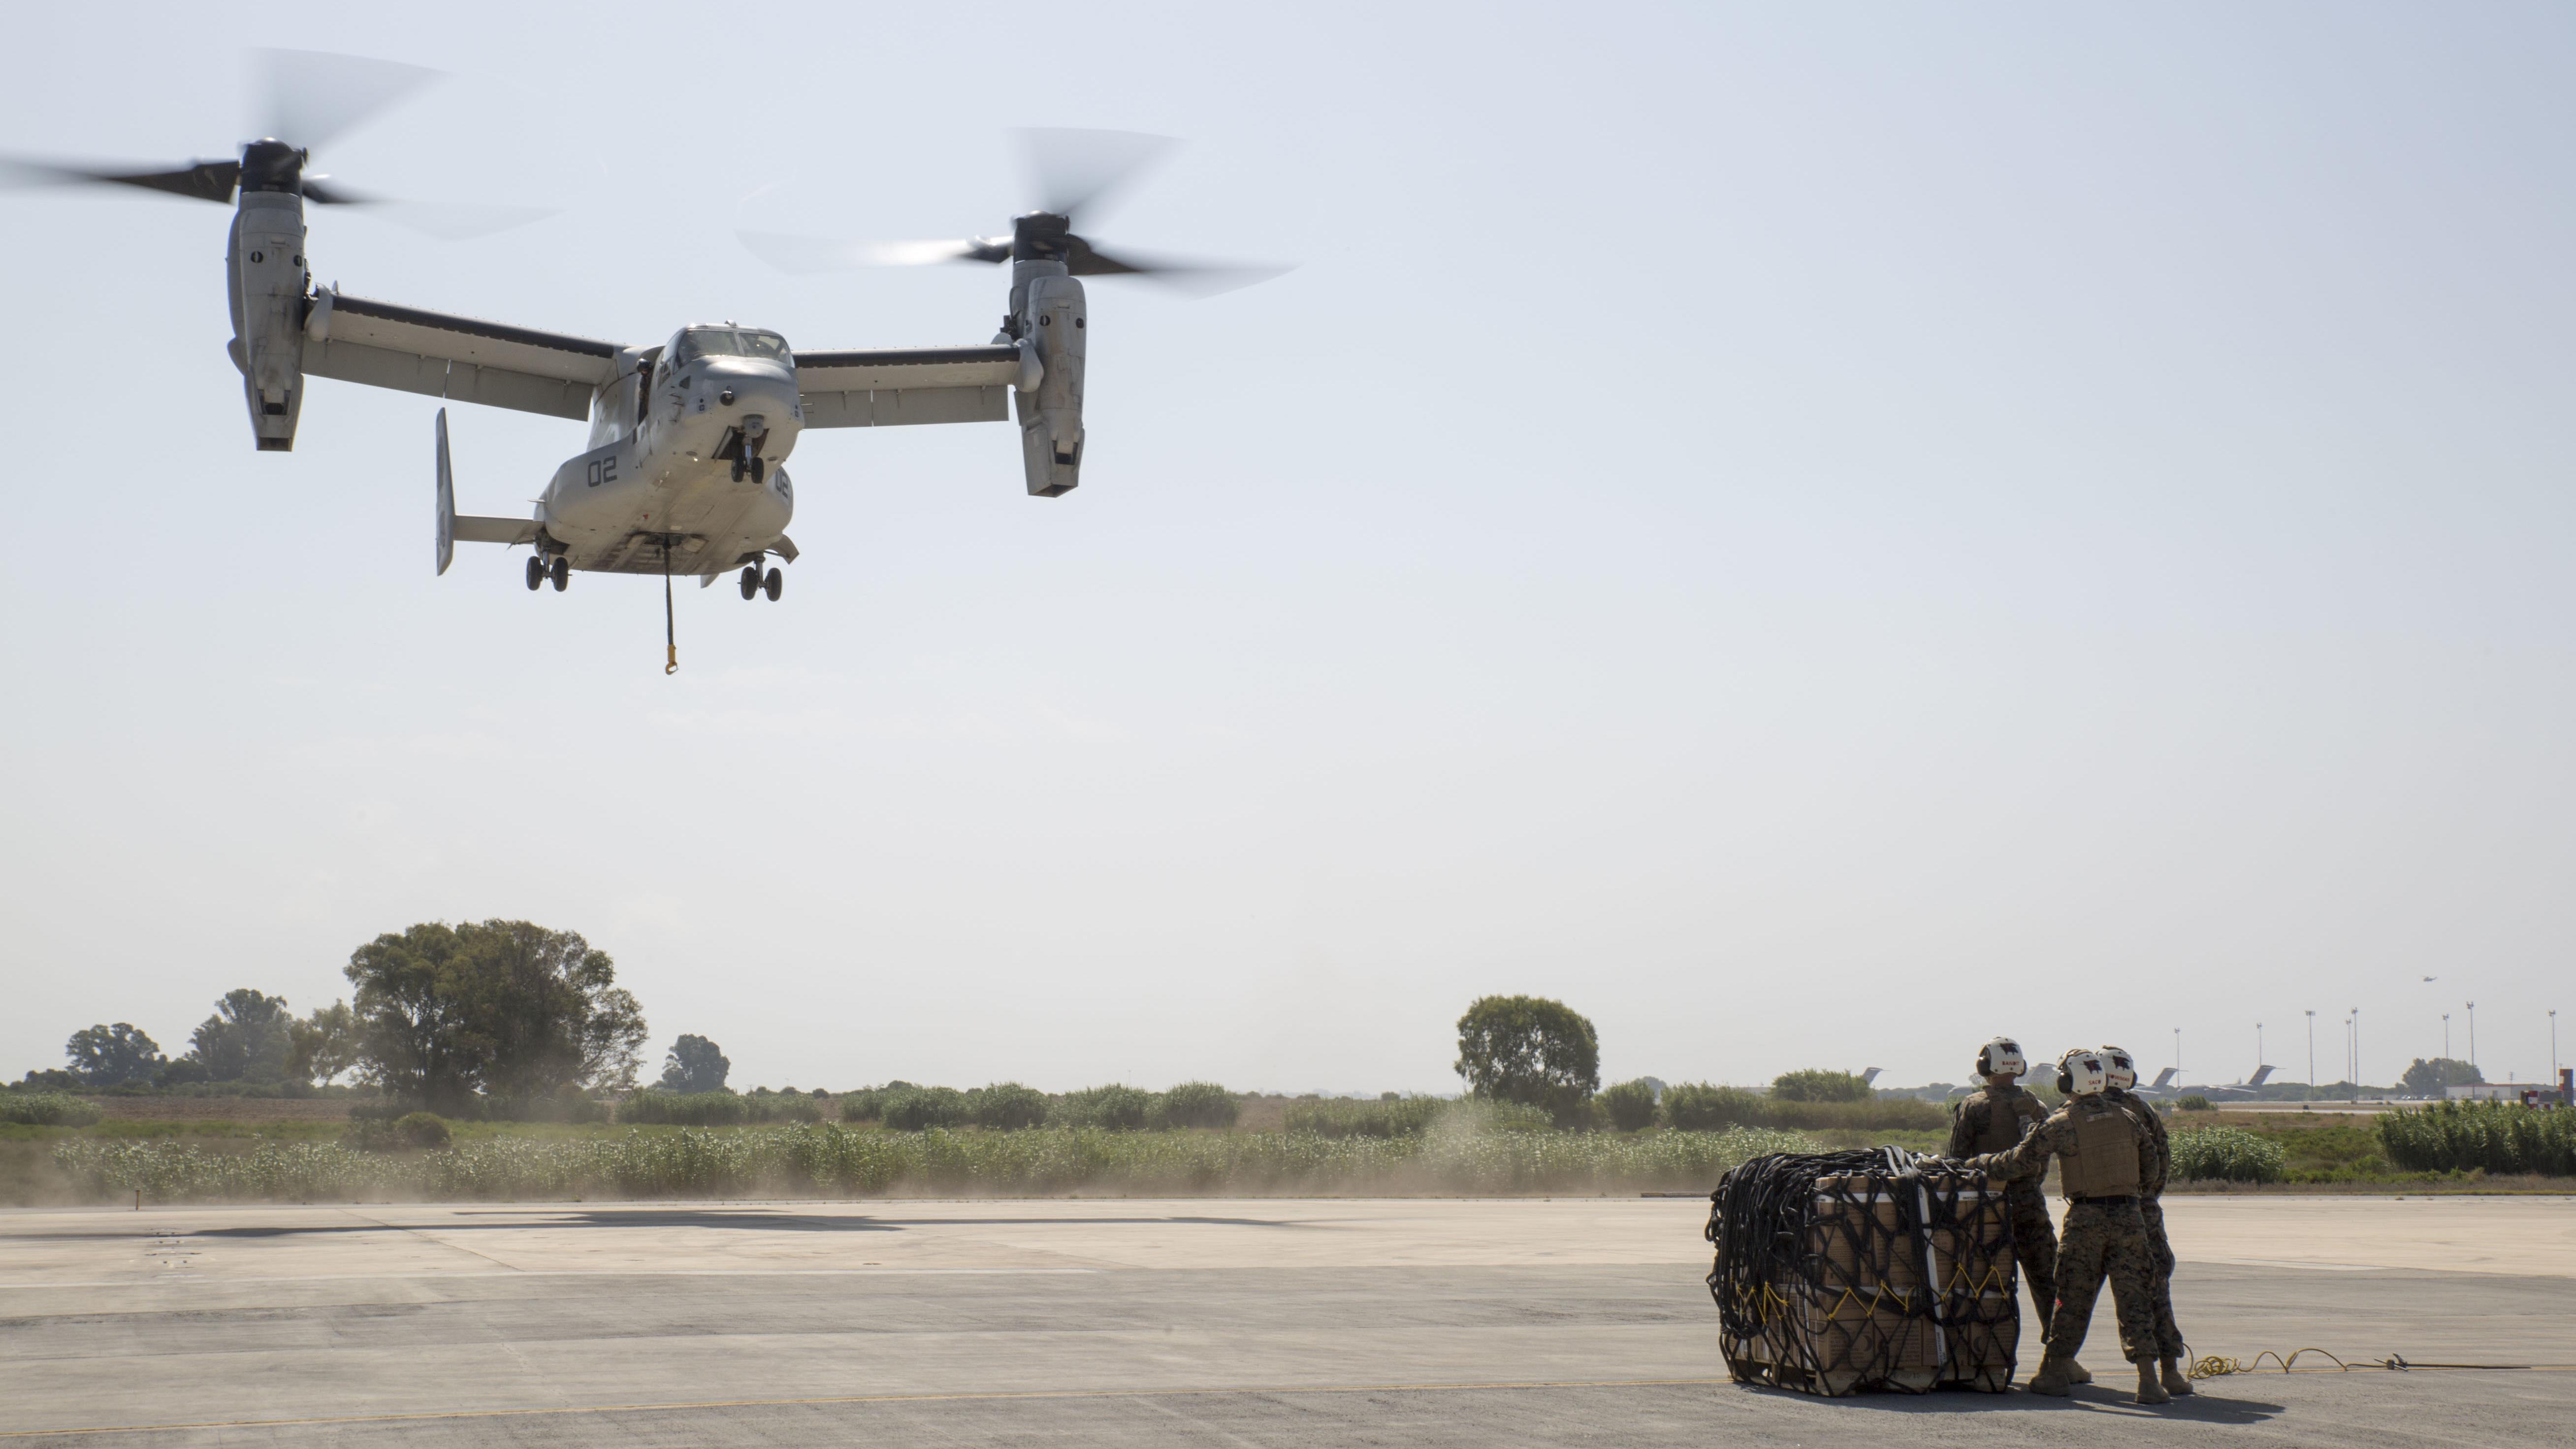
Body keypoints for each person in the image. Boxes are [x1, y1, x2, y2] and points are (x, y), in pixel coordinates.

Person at [1959, 1048, 2169, 1405]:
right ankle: (2149, 1380)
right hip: (2130, 1218)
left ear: (2068, 1081)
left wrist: (1978, 1163)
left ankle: (2054, 1372)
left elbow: (2018, 1162)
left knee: (2071, 1297)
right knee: (2134, 1298)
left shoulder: (2063, 1122)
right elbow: (2151, 1168)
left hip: (2087, 1218)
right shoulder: (2128, 1117)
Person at [1946, 1036, 2061, 1354]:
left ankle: (1978, 1352)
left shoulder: (1974, 1106)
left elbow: (1956, 1162)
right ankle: (2059, 1354)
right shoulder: (2036, 1106)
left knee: (1978, 1279)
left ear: (1985, 1066)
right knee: (2046, 1279)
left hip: (1984, 1205)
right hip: (2030, 1201)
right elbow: (2042, 1160)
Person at [2102, 1044, 2191, 1397]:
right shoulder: (2143, 1110)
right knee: (2156, 1292)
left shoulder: (2083, 1111)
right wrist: (2146, 1198)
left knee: (2076, 1296)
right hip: (2146, 1211)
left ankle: (2058, 1366)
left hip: (2098, 1214)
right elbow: (2161, 1164)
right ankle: (2170, 1372)